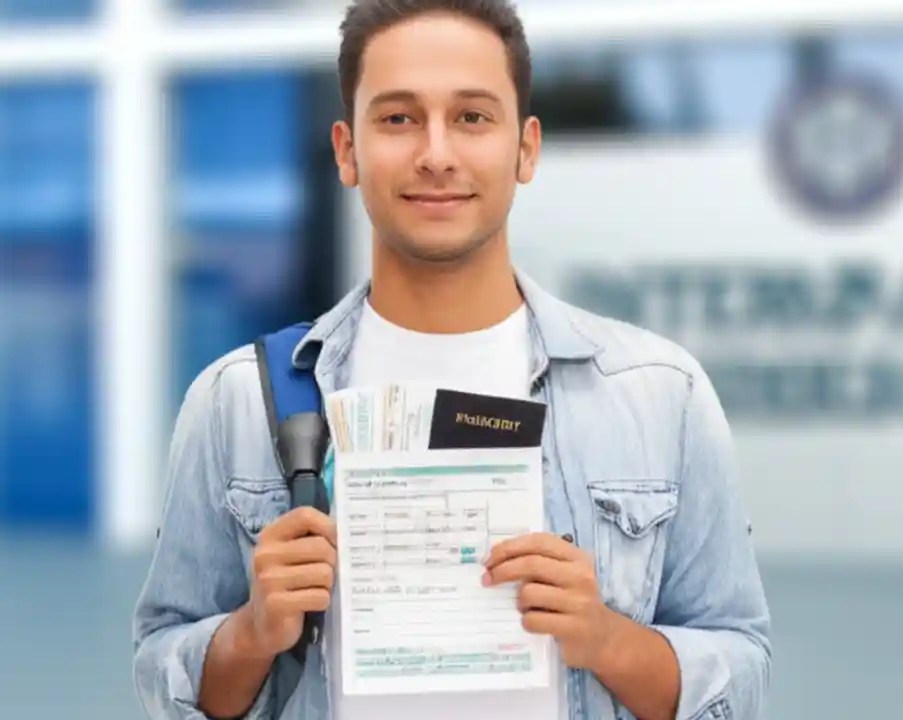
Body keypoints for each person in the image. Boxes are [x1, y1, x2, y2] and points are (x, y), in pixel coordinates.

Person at [131, 1, 771, 718]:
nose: (436, 153)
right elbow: (162, 662)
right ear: (346, 150)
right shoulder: (239, 403)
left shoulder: (660, 396)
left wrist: (605, 639)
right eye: (399, 118)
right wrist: (251, 635)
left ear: (526, 148)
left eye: (472, 117)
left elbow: (740, 667)